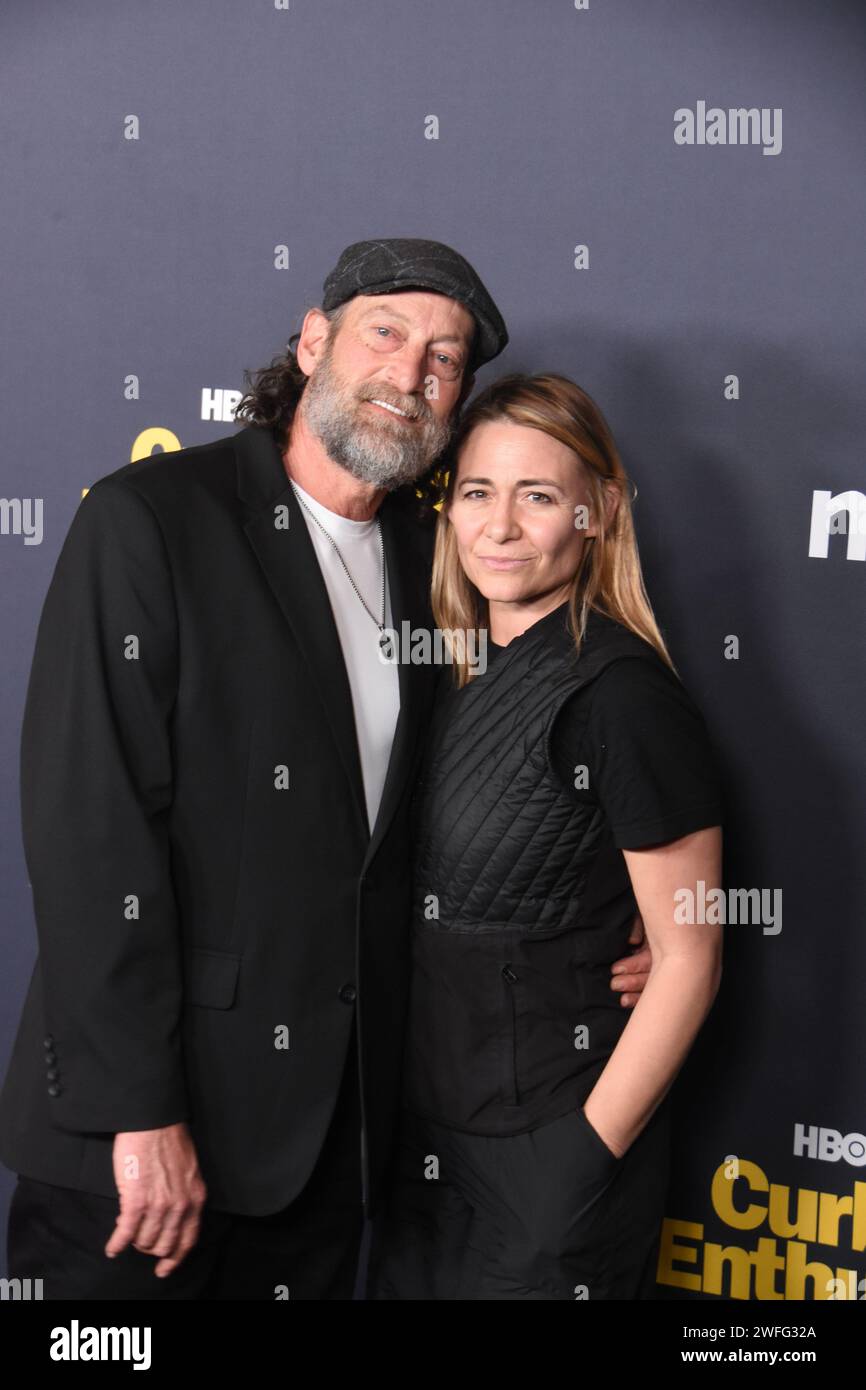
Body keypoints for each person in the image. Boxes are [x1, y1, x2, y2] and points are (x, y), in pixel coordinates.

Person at [0, 241, 651, 1300]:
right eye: (384, 334)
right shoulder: (152, 522)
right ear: (313, 343)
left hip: (334, 1147)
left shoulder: (431, 564)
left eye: (443, 359)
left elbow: (479, 794)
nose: (409, 373)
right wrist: (138, 1112)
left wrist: (622, 924)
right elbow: (89, 833)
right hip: (144, 1145)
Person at [368, 372, 725, 1300]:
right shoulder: (439, 671)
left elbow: (689, 958)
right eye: (479, 493)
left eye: (539, 496)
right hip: (418, 1153)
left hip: (548, 1167)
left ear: (597, 512)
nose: (502, 526)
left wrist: (579, 1160)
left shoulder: (621, 695)